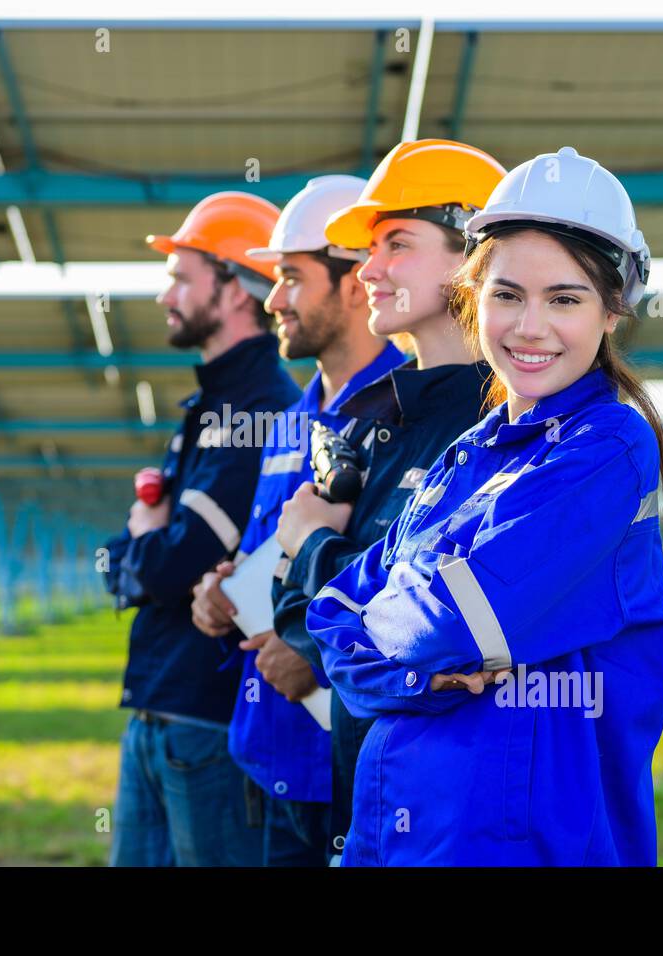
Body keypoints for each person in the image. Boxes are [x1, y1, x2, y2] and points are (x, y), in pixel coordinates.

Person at [306, 146, 663, 866]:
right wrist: (412, 662)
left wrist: (401, 625)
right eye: (507, 295)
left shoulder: (608, 448)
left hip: (525, 843)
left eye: (564, 299)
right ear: (475, 295)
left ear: (613, 310)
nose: (529, 326)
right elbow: (331, 621)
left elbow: (461, 619)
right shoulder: (467, 454)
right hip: (396, 832)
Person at [267, 139, 507, 865]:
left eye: (396, 245)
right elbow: (303, 623)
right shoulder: (374, 420)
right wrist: (337, 581)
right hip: (367, 805)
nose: (368, 271)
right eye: (369, 251)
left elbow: (441, 633)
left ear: (473, 256)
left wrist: (314, 547)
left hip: (454, 819)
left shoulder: (506, 427)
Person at [188, 175, 406, 866]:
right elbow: (274, 565)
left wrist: (310, 653)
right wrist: (227, 595)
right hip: (267, 750)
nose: (273, 299)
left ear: (353, 281)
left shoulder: (414, 412)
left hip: (350, 762)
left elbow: (412, 584)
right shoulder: (288, 424)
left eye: (289, 277)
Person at [102, 192, 301, 867]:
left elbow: (170, 562)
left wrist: (133, 552)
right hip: (161, 711)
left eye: (182, 277)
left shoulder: (263, 411)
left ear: (237, 289)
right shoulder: (213, 406)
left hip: (210, 719)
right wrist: (139, 550)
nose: (166, 295)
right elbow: (157, 556)